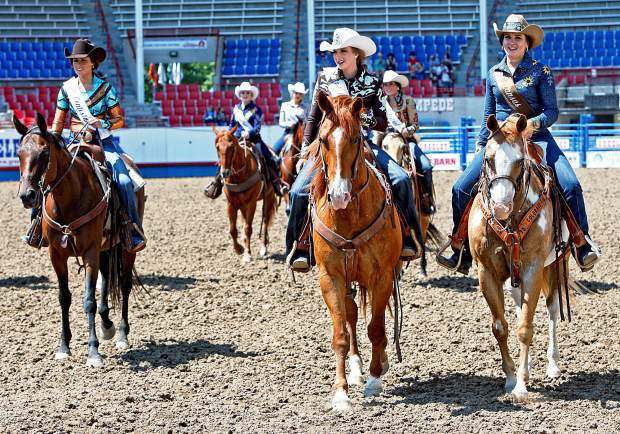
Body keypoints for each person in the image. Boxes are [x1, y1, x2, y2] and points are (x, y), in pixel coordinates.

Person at [436, 14, 600, 274]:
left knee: (570, 185)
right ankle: (461, 248)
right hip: (500, 141)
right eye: (507, 38)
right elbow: (488, 113)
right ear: (502, 42)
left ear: (527, 42)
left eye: (517, 38)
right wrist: (481, 144)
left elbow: (552, 112)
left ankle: (582, 243)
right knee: (460, 188)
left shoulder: (541, 71)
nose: (512, 42)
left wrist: (528, 127)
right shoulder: (493, 74)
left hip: (536, 138)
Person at [285, 28, 424, 272]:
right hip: (327, 146)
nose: (338, 56)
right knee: (297, 191)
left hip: (360, 143)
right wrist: (306, 149)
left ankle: (409, 237)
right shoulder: (325, 79)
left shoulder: (372, 82)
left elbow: (382, 121)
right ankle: (300, 247)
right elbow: (312, 117)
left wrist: (361, 119)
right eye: (335, 52)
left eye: (343, 51)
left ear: (356, 54)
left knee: (401, 179)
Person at [22, 38, 146, 252]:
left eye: (82, 60)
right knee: (45, 176)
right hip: (73, 142)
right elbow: (59, 121)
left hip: (103, 143)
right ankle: (37, 227)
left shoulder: (106, 89)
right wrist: (52, 140)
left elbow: (120, 120)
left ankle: (131, 230)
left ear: (93, 63)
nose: (78, 64)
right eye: (74, 61)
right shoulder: (67, 89)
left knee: (125, 181)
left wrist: (103, 123)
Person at [204, 81, 287, 198]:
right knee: (225, 156)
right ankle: (216, 183)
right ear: (240, 95)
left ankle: (277, 183)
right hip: (237, 137)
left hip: (253, 138)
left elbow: (257, 127)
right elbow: (232, 124)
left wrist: (249, 133)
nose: (245, 95)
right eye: (243, 93)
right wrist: (229, 135)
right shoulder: (236, 109)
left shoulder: (256, 109)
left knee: (268, 157)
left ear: (251, 95)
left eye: (247, 93)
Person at [376, 70, 435, 214]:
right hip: (384, 138)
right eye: (385, 85)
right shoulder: (380, 103)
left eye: (391, 84)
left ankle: (427, 198)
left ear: (397, 86)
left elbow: (415, 126)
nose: (387, 87)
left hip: (406, 140)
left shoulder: (408, 101)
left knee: (426, 166)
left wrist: (405, 131)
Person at [272, 82, 308, 155]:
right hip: (288, 132)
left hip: (303, 134)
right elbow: (281, 123)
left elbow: (308, 122)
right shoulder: (285, 105)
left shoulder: (306, 107)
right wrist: (289, 124)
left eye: (300, 94)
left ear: (303, 95)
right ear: (292, 93)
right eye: (296, 93)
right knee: (274, 150)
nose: (298, 95)